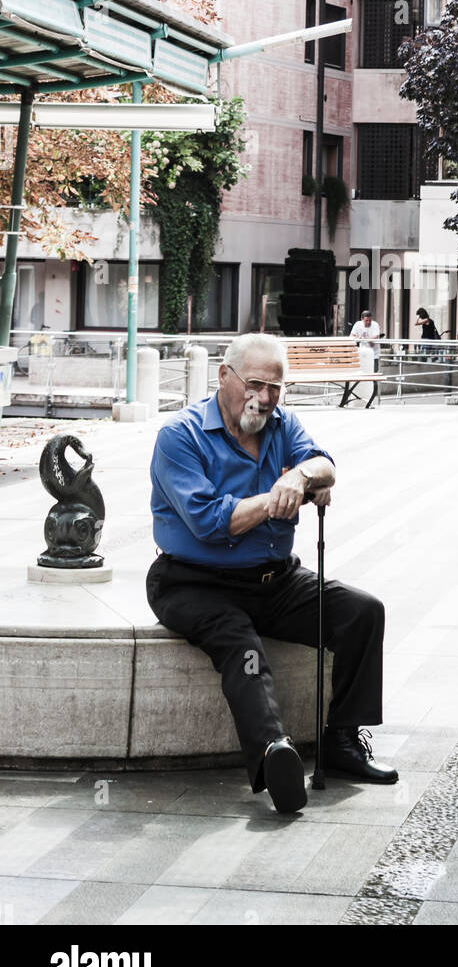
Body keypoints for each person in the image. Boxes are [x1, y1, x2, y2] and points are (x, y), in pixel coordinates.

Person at [146, 333, 398, 815]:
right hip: (193, 581)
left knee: (362, 612)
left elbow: (323, 463)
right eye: (255, 385)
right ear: (225, 376)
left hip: (273, 578)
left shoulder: (281, 424)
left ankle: (342, 742)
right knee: (242, 648)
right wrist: (274, 499)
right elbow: (208, 521)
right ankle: (272, 752)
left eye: (275, 388)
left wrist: (302, 478)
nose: (263, 398)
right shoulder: (180, 436)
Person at [349, 308, 381, 372]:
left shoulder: (375, 324)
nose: (368, 322)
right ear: (362, 319)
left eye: (370, 320)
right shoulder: (358, 324)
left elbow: (375, 339)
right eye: (366, 320)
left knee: (374, 371)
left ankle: (374, 382)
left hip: (374, 353)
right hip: (363, 353)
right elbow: (351, 336)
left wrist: (364, 339)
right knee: (362, 370)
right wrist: (358, 338)